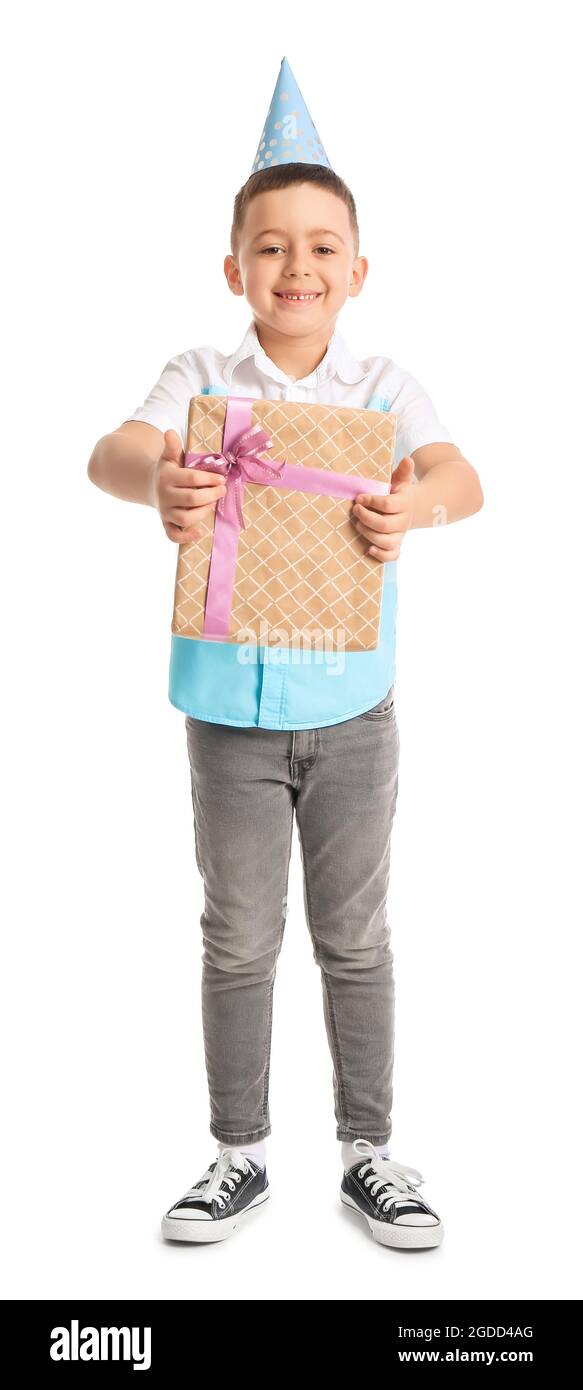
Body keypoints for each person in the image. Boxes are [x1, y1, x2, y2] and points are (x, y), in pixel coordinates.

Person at [87, 58, 483, 1250]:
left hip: (353, 706)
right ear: (234, 271)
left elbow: (466, 477)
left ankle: (370, 1149)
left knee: (353, 934)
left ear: (356, 272)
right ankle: (238, 1154)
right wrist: (153, 479)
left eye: (321, 247)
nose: (296, 267)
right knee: (237, 931)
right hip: (227, 715)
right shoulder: (201, 380)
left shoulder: (383, 387)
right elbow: (109, 450)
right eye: (270, 247)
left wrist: (417, 510)